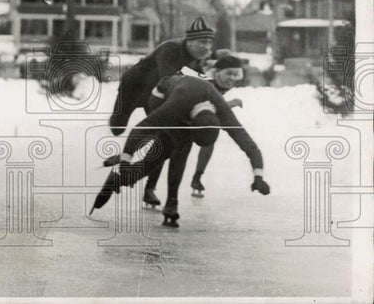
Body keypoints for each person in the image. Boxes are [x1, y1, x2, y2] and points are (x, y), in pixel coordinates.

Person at [91, 74, 270, 227]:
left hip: (187, 98)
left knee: (161, 153)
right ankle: (171, 202)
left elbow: (249, 145)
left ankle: (122, 179)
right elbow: (141, 129)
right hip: (161, 95)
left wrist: (259, 176)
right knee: (181, 144)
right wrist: (125, 158)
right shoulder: (176, 106)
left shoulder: (223, 112)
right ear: (191, 123)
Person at [108, 16, 228, 207]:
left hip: (156, 95)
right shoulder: (170, 48)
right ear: (188, 41)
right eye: (202, 42)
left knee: (165, 139)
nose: (207, 48)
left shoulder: (199, 58)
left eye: (209, 43)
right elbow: (169, 78)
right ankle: (129, 145)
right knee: (117, 128)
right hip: (134, 88)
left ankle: (149, 188)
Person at [142, 55, 245, 201]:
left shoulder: (219, 80)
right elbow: (209, 103)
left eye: (236, 75)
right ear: (217, 72)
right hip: (167, 102)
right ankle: (147, 186)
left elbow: (211, 105)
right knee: (165, 145)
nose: (232, 79)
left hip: (185, 107)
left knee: (209, 135)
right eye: (229, 74)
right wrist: (228, 105)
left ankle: (196, 177)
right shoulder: (206, 81)